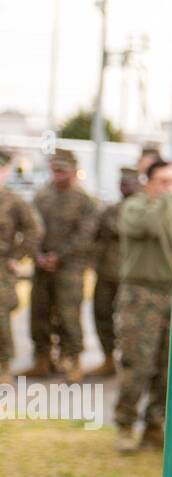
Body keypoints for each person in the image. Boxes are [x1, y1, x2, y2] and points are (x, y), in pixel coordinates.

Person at [113, 158, 172, 452]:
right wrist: (164, 200)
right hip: (140, 295)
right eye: (163, 181)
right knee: (136, 363)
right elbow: (151, 227)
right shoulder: (134, 207)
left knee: (168, 366)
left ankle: (155, 424)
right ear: (148, 182)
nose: (170, 188)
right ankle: (125, 424)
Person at [22, 149, 99, 381]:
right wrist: (37, 255)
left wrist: (59, 256)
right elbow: (30, 229)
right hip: (42, 266)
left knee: (69, 316)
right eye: (54, 170)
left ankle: (72, 360)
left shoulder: (84, 201)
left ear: (73, 172)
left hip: (70, 268)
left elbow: (85, 235)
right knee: (39, 314)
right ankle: (42, 359)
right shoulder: (42, 196)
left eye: (62, 171)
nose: (57, 175)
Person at [86, 167, 139, 378]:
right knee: (102, 314)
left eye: (128, 183)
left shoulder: (141, 209)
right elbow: (97, 236)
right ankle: (108, 358)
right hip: (107, 272)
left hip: (131, 276)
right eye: (122, 183)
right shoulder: (111, 209)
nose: (124, 186)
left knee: (129, 322)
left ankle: (130, 364)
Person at [0, 149, 43, 383]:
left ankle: (3, 366)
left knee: (1, 318)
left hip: (1, 267)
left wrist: (17, 256)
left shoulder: (14, 201)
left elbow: (34, 230)